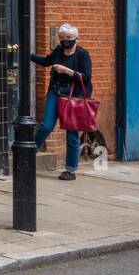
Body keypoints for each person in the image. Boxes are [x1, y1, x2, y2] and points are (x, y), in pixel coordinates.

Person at [30, 23, 93, 181]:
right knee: (46, 125)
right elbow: (46, 61)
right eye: (62, 38)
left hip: (73, 96)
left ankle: (70, 170)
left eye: (69, 38)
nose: (65, 41)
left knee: (72, 133)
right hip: (55, 91)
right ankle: (29, 153)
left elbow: (86, 77)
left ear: (76, 38)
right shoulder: (58, 50)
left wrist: (67, 71)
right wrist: (28, 54)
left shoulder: (82, 54)